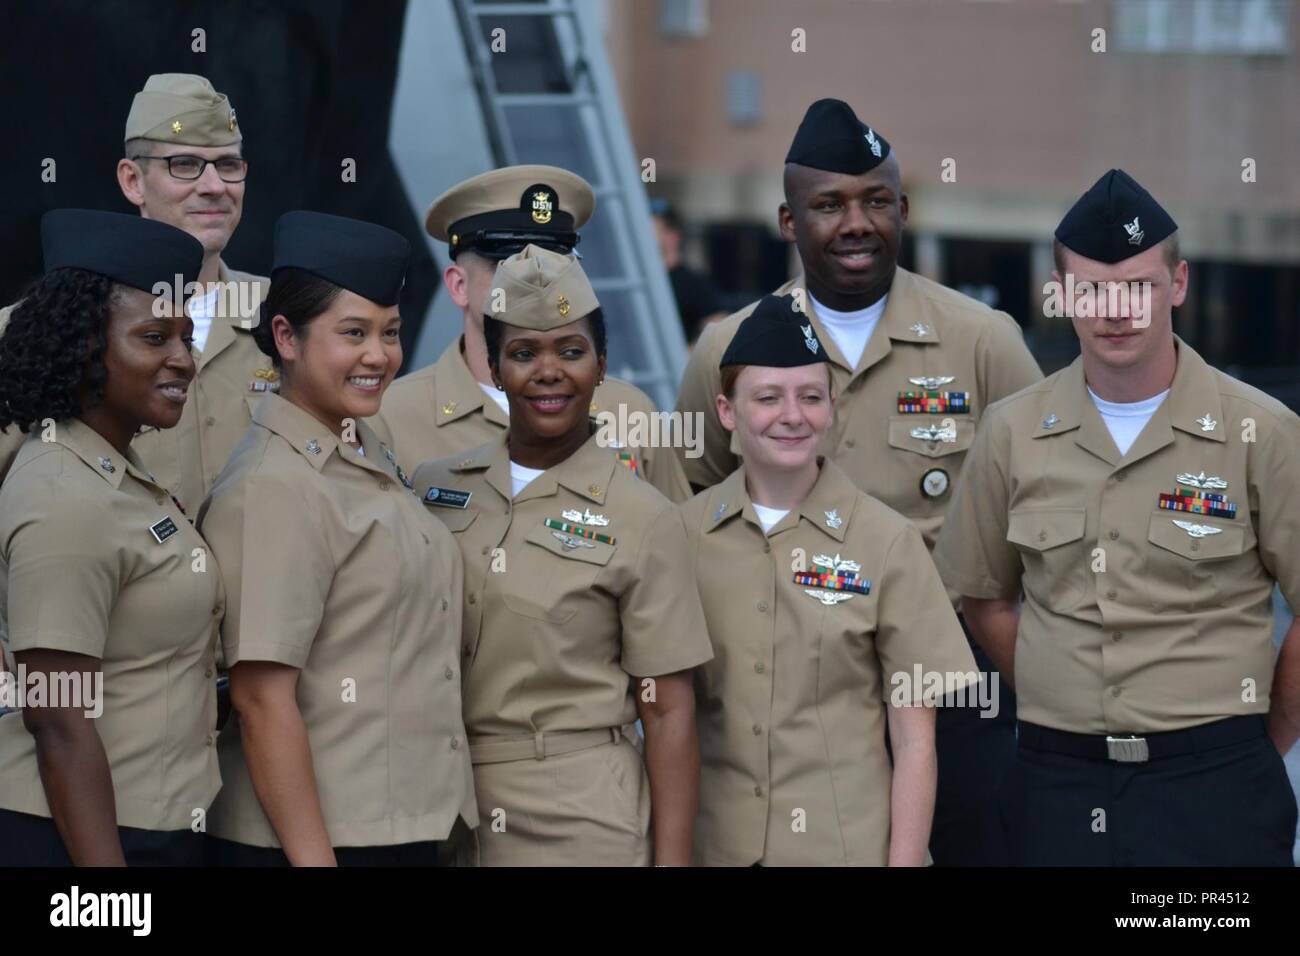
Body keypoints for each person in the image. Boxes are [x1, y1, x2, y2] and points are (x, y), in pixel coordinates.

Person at [674, 98, 1043, 865]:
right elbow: (699, 502)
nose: (856, 223)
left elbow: (1041, 510)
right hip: (788, 674)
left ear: (904, 209)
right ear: (788, 220)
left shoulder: (983, 341)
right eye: (829, 205)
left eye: (877, 201)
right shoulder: (728, 350)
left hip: (956, 677)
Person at [933, 169, 1300, 865]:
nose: (1116, 309)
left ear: (1180, 284)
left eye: (1139, 286)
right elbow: (981, 594)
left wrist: (1255, 744)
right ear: (1062, 294)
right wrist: (1056, 690)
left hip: (1215, 790)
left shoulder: (1263, 432)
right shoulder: (1012, 432)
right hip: (1057, 786)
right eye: (1092, 289)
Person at [411, 244, 712, 866]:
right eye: (523, 353)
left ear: (602, 365)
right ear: (493, 368)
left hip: (578, 813)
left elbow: (669, 711)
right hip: (438, 802)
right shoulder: (434, 487)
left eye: (571, 352)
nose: (549, 371)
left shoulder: (643, 516)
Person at [197, 211, 476, 866]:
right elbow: (262, 699)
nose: (378, 355)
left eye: (390, 333)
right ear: (286, 337)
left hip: (393, 824)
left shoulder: (362, 452)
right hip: (322, 840)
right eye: (353, 333)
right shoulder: (274, 485)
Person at [682, 293, 976, 866]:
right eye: (767, 398)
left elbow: (915, 738)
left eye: (811, 397)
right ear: (725, 410)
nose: (792, 416)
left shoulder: (888, 542)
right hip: (712, 848)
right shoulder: (678, 538)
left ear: (832, 406)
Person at [0, 210, 219, 865]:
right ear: (83, 346)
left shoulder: (116, 472)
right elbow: (57, 720)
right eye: (154, 337)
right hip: (84, 840)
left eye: (185, 335)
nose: (183, 359)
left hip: (153, 820)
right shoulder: (66, 492)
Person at [0, 73, 272, 507]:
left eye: (228, 165)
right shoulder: (41, 328)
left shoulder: (288, 316)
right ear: (132, 181)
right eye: (184, 164)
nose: (214, 186)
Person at [377, 165, 691, 501]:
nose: (536, 283)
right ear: (459, 286)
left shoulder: (629, 412)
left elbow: (676, 541)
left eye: (554, 265)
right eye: (512, 265)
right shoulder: (392, 418)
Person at [649, 197, 726, 344]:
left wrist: (689, 355)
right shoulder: (642, 282)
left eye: (651, 228)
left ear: (672, 237)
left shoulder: (694, 283)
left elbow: (719, 327)